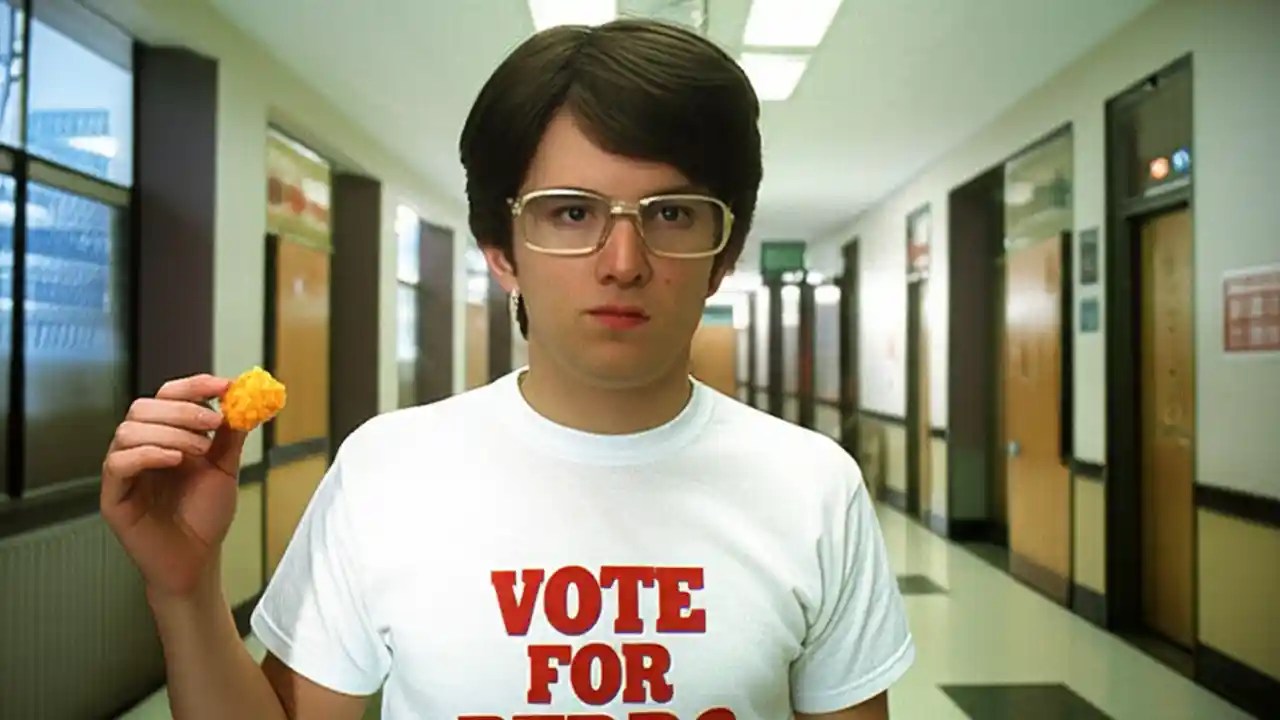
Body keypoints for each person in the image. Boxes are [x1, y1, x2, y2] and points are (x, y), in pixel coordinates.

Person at [99, 18, 914, 720]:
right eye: (570, 212)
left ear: (723, 252)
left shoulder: (811, 487)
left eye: (670, 213)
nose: (623, 261)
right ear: (501, 251)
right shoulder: (389, 471)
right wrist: (185, 592)